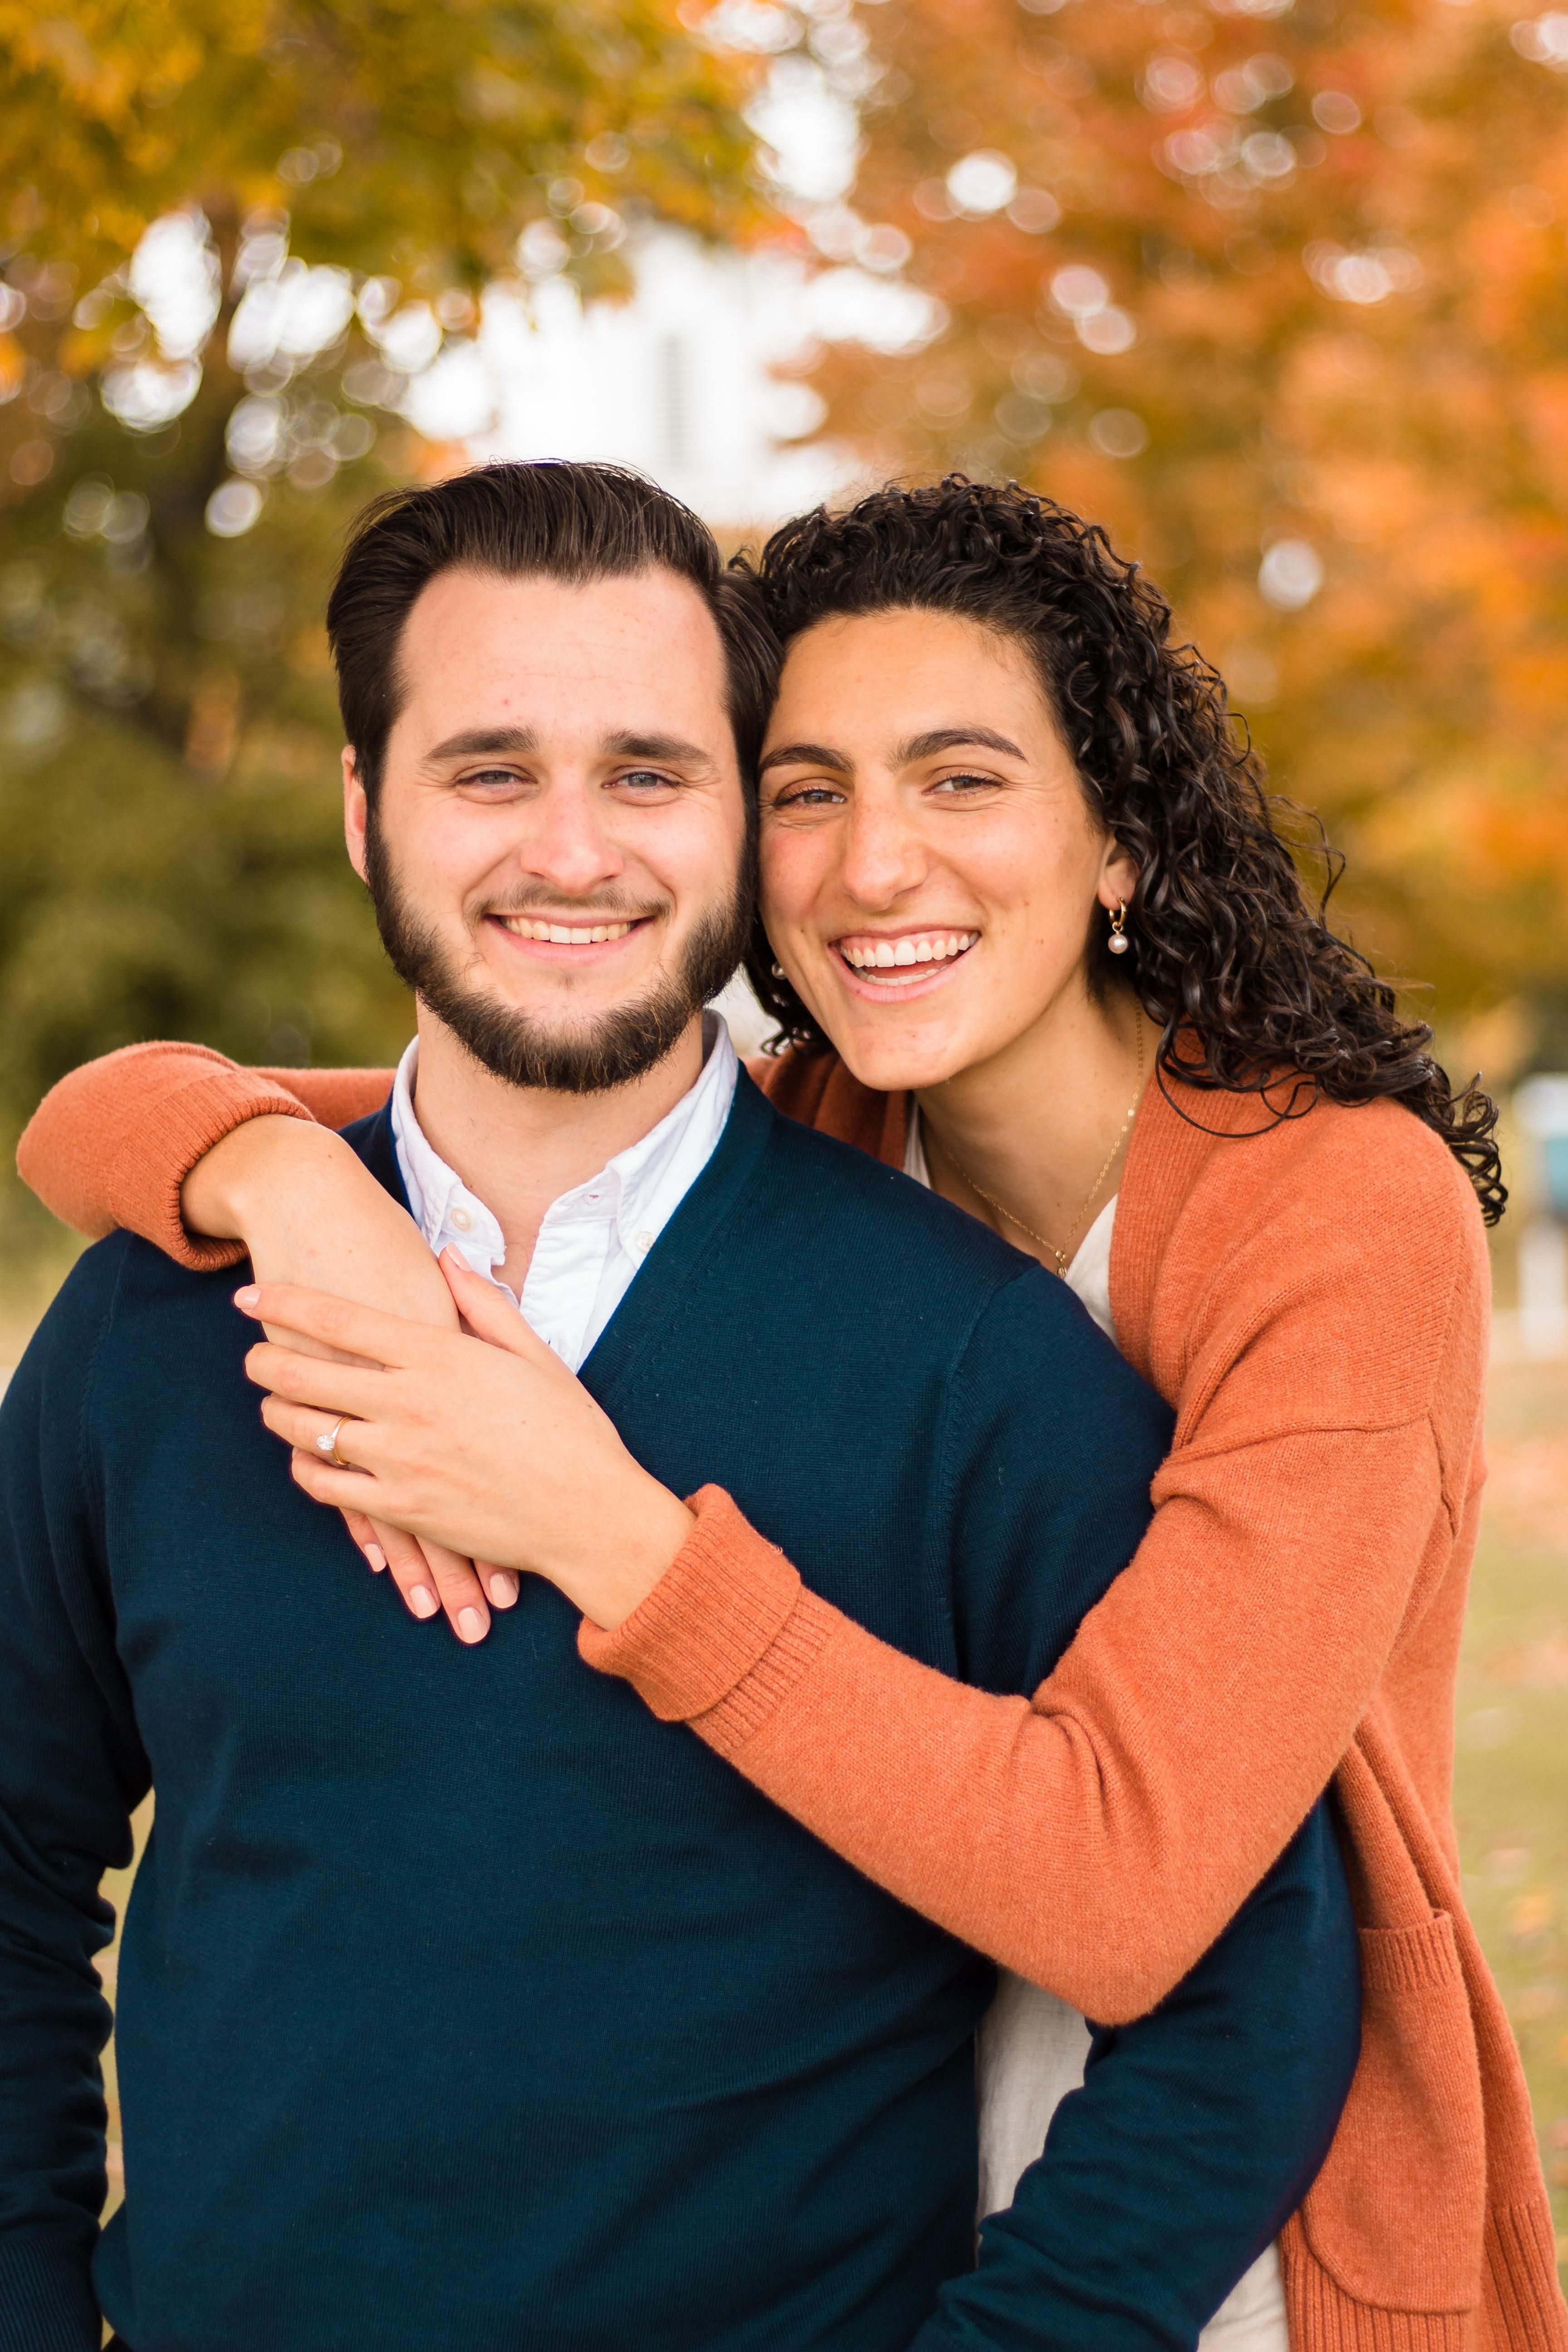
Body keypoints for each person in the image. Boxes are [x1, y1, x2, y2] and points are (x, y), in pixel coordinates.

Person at [0, 463, 1359, 2352]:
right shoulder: (159, 1318)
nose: (574, 852)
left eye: (649, 773)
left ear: (738, 821)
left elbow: (1245, 1985)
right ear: (363, 812)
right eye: (490, 771)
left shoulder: (980, 1362)